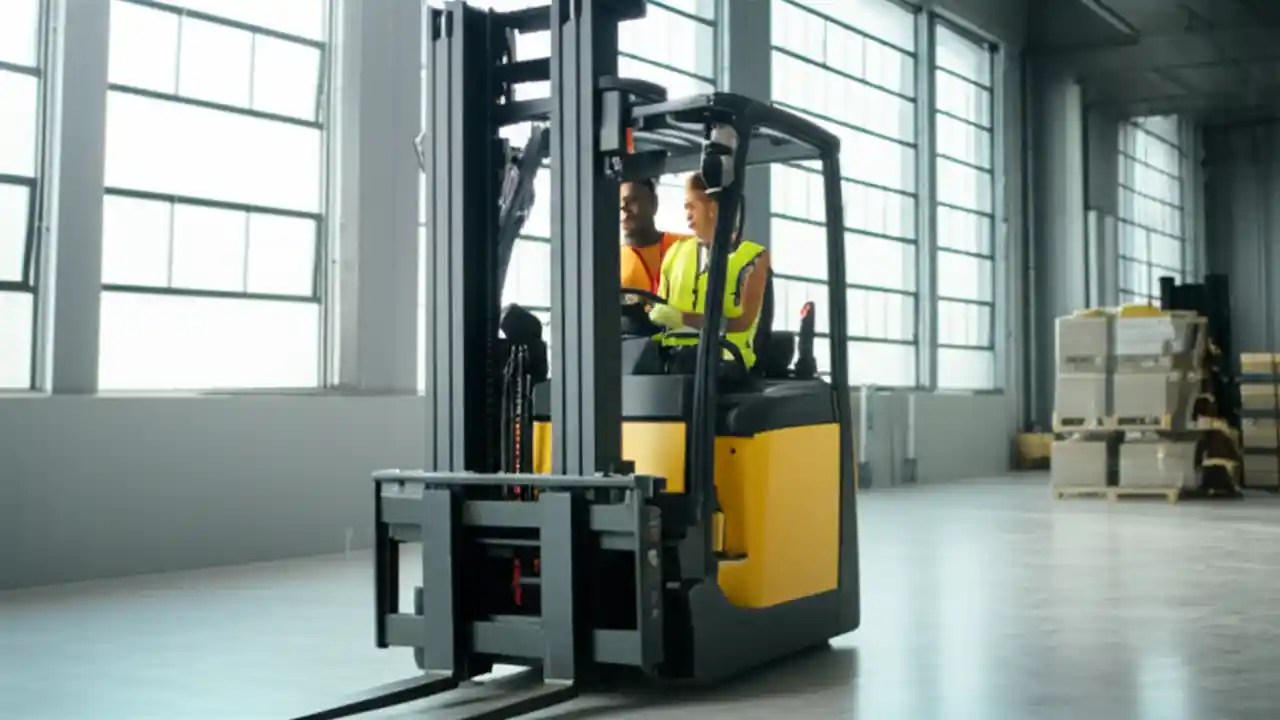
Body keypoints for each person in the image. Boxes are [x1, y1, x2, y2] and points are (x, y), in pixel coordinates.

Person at [649, 172, 770, 370]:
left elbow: (743, 322)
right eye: (685, 207)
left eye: (692, 206)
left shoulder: (753, 257)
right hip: (673, 362)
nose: (687, 214)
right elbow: (660, 307)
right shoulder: (675, 252)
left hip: (726, 363)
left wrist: (683, 319)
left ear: (712, 208)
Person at [619, 178, 683, 294]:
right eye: (619, 202)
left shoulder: (686, 246)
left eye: (632, 200)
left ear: (654, 203)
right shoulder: (610, 263)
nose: (623, 207)